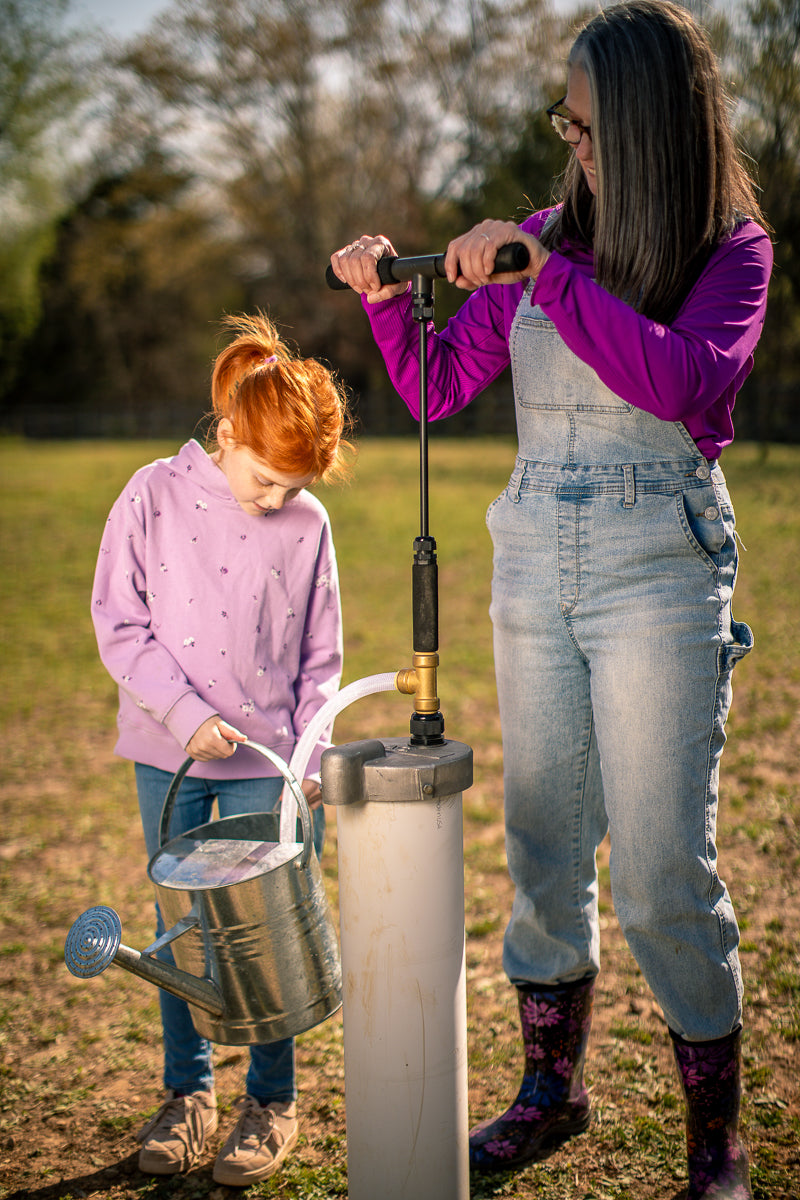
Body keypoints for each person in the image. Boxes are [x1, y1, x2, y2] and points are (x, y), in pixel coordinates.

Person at [329, 2, 772, 1195]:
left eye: (583, 125)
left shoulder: (731, 252)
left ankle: (713, 1142)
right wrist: (385, 295)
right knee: (540, 842)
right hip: (529, 554)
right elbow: (433, 387)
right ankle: (549, 1089)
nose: (566, 143)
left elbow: (678, 382)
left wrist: (548, 271)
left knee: (660, 871)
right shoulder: (536, 238)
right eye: (560, 124)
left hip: (656, 563)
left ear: (643, 127)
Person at [91, 312, 351, 1186]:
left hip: (265, 776)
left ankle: (269, 1102)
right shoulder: (150, 496)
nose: (276, 500)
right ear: (229, 433)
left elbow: (323, 660)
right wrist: (179, 713)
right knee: (183, 936)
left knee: (266, 942)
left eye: (291, 486)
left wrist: (309, 764)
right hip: (170, 766)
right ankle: (187, 1094)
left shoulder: (309, 523)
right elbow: (119, 626)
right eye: (265, 478)